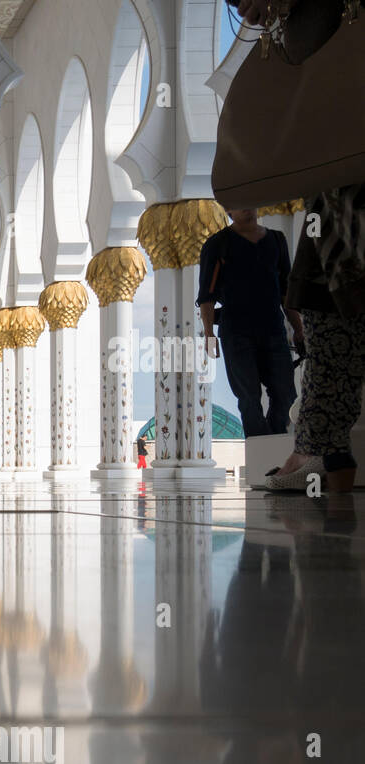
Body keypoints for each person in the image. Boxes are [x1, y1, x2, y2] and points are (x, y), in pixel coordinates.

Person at [237, 0, 365, 493]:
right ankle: (324, 450)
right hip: (334, 167)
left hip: (345, 155)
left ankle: (320, 450)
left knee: (333, 296)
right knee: (324, 297)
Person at [197, 207, 301, 437]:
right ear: (229, 210)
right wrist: (208, 336)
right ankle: (260, 448)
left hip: (274, 330)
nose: (245, 207)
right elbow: (206, 297)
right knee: (249, 397)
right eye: (238, 203)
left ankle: (272, 443)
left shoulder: (276, 240)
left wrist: (299, 329)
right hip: (236, 332)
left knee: (285, 393)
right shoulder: (218, 244)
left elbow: (287, 291)